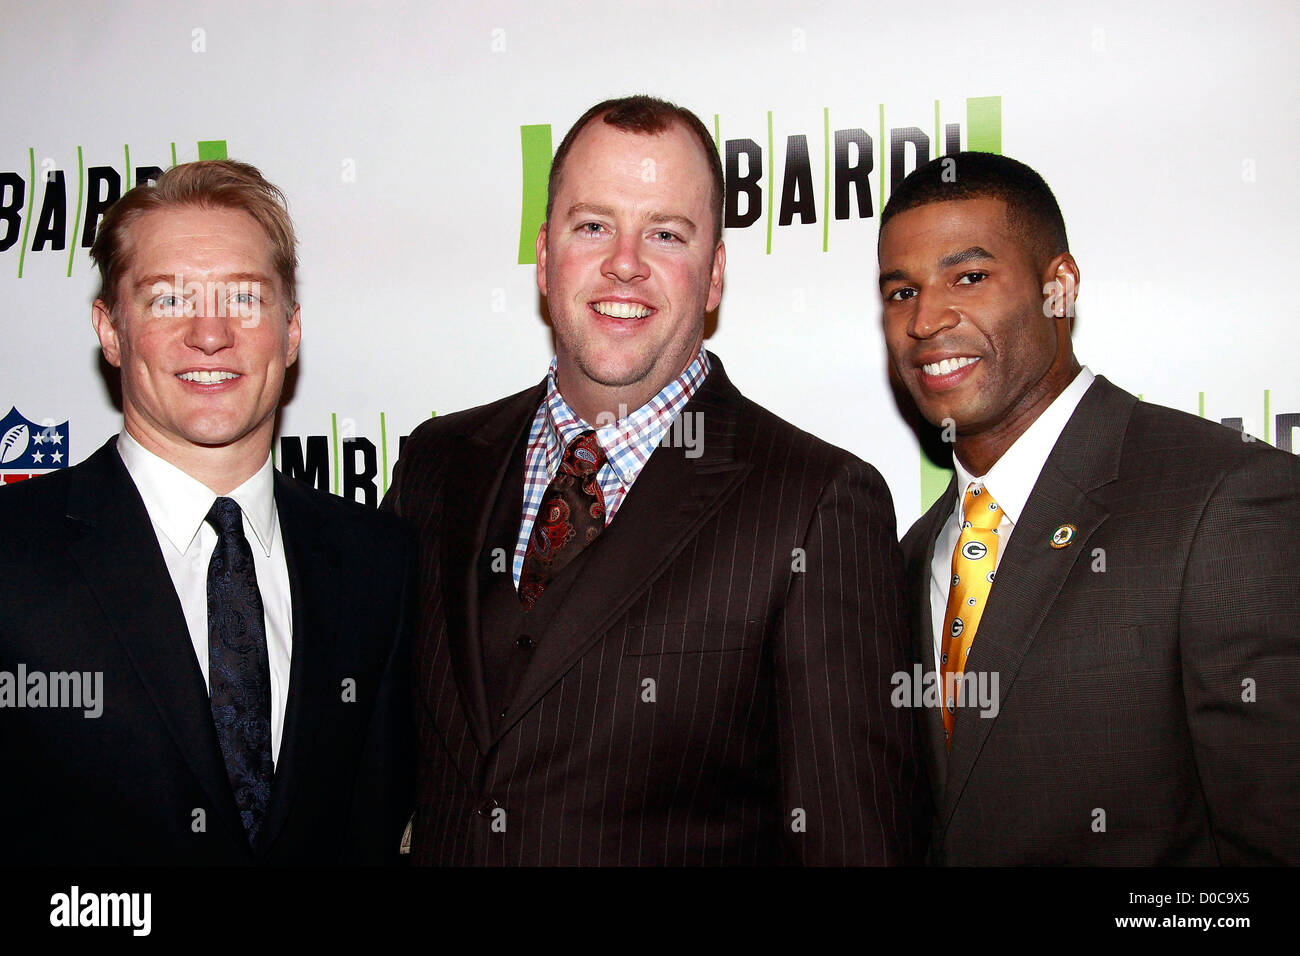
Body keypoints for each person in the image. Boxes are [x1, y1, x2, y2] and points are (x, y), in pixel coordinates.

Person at [385, 95, 927, 865]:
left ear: (713, 277)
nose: (626, 263)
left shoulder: (814, 505)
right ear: (544, 256)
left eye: (666, 233)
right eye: (593, 225)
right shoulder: (435, 465)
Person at [878, 151, 1300, 864]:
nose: (927, 319)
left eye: (969, 277)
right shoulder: (912, 553)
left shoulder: (1224, 501)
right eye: (900, 292)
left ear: (1059, 289)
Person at [0, 160, 412, 865]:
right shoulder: (13, 554)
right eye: (167, 300)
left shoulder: (379, 561)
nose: (211, 334)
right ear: (110, 329)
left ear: (290, 330)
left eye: (245, 299)